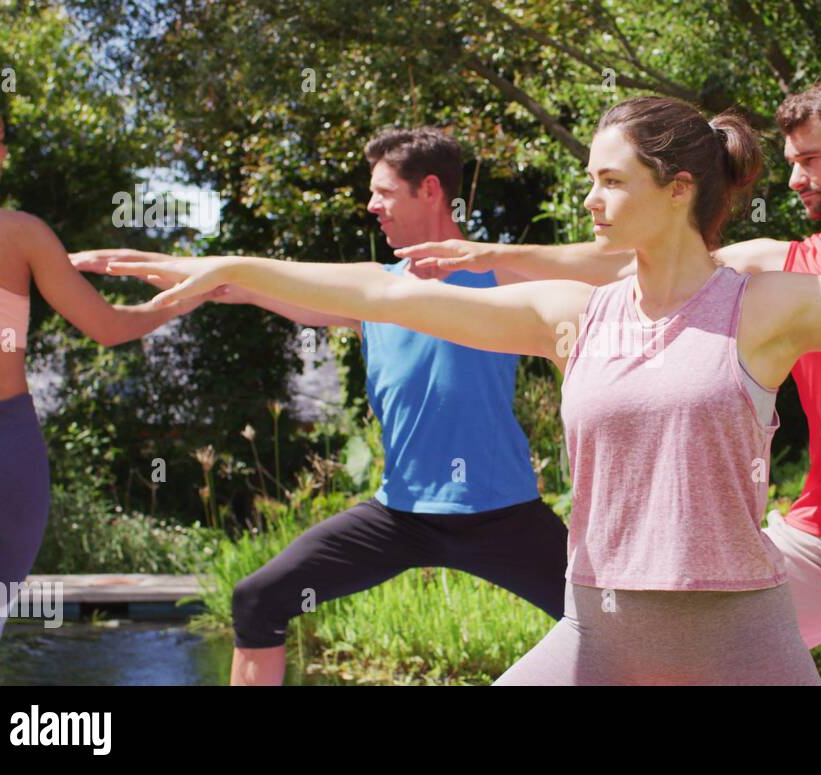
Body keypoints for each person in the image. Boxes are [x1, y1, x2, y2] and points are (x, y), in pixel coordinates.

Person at [105, 96, 821, 685]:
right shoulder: (568, 315)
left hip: (745, 632)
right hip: (604, 629)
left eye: (606, 180)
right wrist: (227, 272)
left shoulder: (768, 302)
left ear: (671, 187)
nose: (588, 198)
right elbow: (380, 290)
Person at [77, 127, 569, 685]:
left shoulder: (503, 274)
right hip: (400, 516)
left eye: (383, 191)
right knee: (258, 599)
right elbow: (239, 284)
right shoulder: (372, 289)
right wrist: (144, 263)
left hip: (501, 514)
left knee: (611, 616)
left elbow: (609, 269)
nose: (371, 205)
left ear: (430, 189)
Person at [0, 86, 207, 686]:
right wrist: (176, 302)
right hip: (6, 453)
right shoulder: (19, 232)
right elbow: (107, 327)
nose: (5, 154)